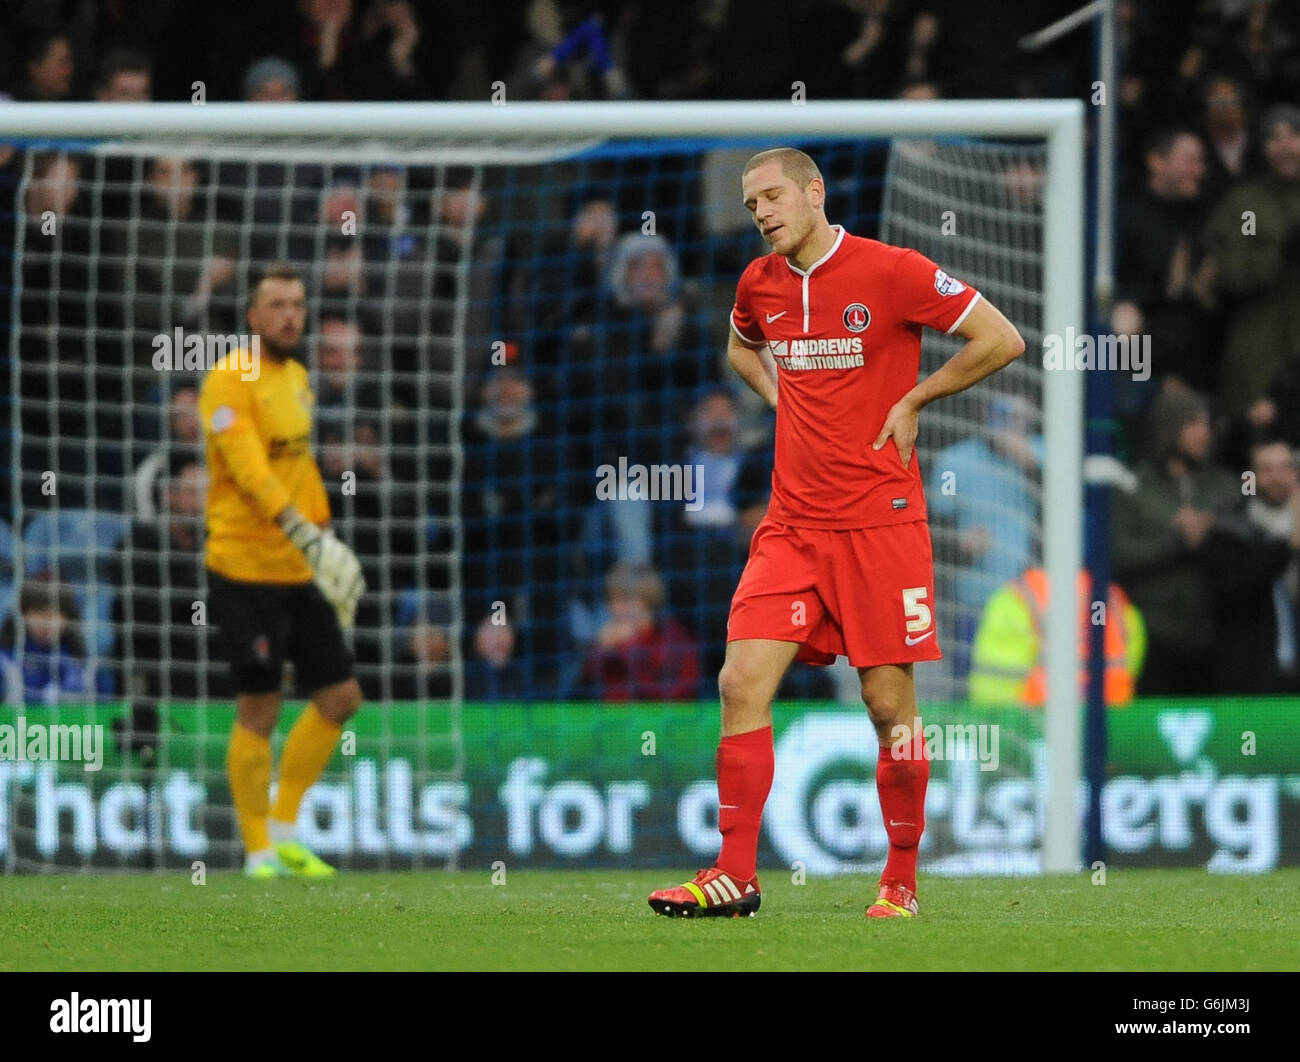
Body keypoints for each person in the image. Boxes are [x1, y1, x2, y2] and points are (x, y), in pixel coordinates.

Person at [647, 147, 1024, 920]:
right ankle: (734, 874)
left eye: (774, 197)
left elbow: (1000, 339)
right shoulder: (758, 284)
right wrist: (782, 396)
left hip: (881, 527)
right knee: (738, 684)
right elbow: (738, 345)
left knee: (888, 708)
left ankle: (902, 879)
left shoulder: (892, 271)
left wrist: (916, 399)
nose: (763, 214)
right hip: (791, 526)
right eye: (752, 205)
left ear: (815, 193)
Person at [198, 262, 366, 879]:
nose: (290, 314)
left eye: (297, 303)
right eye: (277, 304)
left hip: (298, 565)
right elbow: (249, 471)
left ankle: (286, 826)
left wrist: (325, 536)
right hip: (243, 569)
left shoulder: (296, 378)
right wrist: (298, 530)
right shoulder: (228, 380)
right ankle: (257, 852)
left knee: (341, 697)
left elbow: (300, 469)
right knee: (260, 709)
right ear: (253, 316)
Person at [1110, 386, 1239, 694]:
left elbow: (1247, 551)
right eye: (1194, 424)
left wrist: (1211, 537)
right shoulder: (1132, 485)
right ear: (1169, 428)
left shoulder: (1225, 485)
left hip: (1215, 641)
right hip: (1150, 639)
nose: (1205, 433)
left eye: (1207, 425)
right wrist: (1178, 540)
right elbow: (1116, 556)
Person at [0, 581, 103, 707]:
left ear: (67, 619)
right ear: (23, 616)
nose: (46, 622)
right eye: (38, 613)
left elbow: (106, 711)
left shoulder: (85, 666)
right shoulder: (6, 661)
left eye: (54, 615)